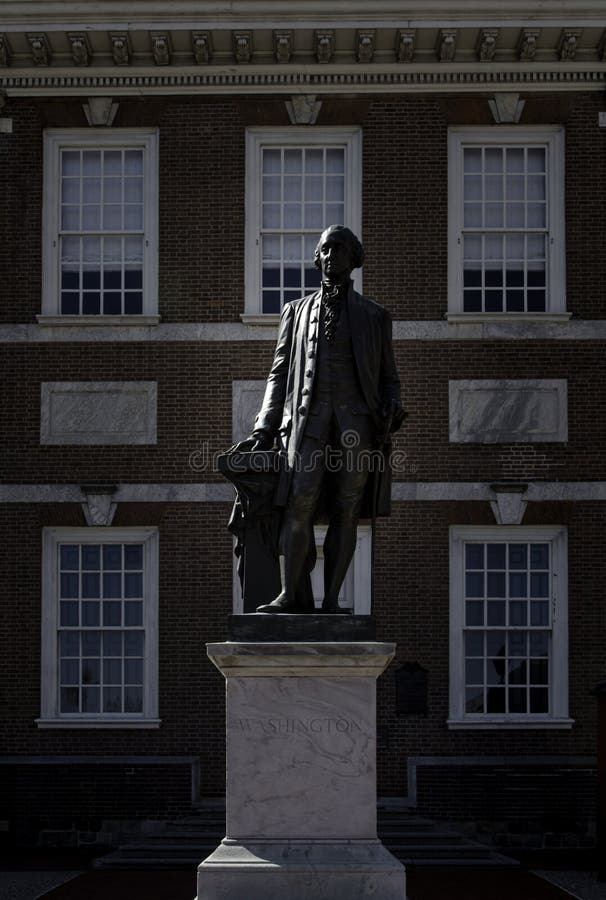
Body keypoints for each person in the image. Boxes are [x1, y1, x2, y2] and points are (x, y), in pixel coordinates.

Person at [250, 225, 404, 614]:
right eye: (325, 249)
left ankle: (332, 601)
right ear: (317, 258)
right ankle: (288, 595)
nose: (332, 255)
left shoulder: (375, 317)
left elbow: (389, 379)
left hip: (356, 429)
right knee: (297, 504)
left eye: (340, 248)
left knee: (347, 511)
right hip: (306, 427)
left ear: (355, 259)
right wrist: (264, 427)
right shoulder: (295, 312)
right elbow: (279, 373)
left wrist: (392, 405)